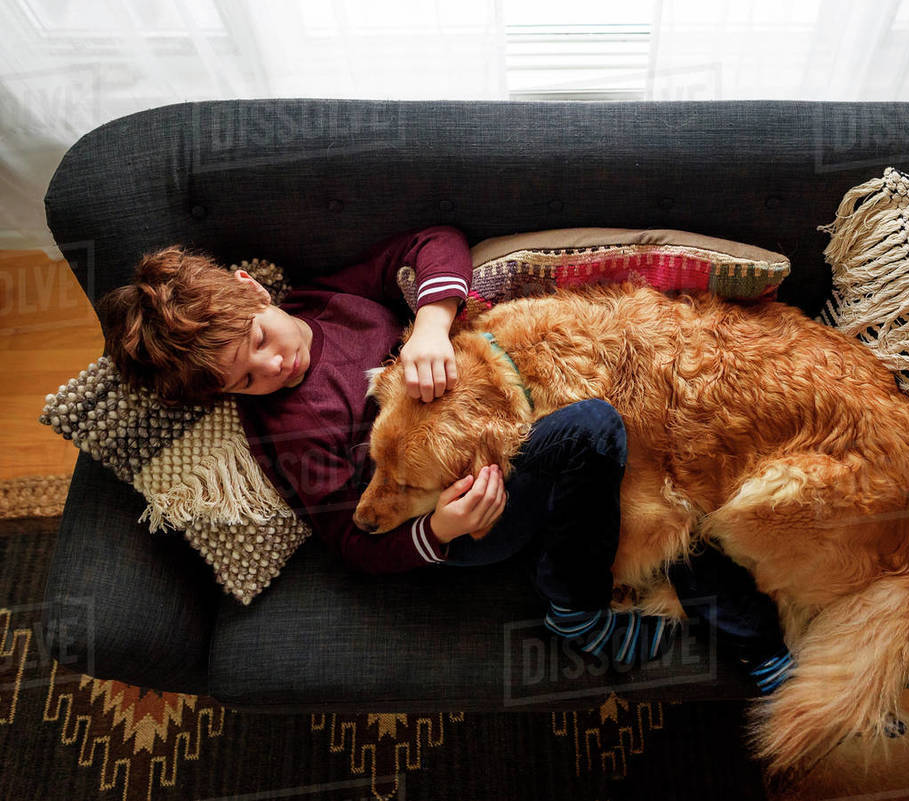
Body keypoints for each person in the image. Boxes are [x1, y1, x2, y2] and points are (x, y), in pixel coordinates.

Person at [97, 226, 791, 683]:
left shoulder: (327, 297)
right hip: (471, 513)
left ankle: (760, 643)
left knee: (648, 486)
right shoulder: (288, 425)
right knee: (593, 430)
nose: (274, 364)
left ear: (254, 289)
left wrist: (431, 323)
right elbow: (353, 536)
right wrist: (440, 530)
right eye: (244, 378)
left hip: (493, 418)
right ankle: (574, 607)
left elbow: (434, 241)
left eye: (258, 339)